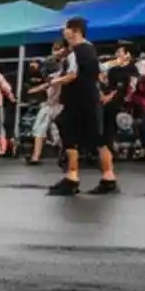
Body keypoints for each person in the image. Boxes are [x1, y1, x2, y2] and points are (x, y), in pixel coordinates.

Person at [47, 17, 118, 196]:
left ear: (75, 30)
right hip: (91, 99)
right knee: (99, 138)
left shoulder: (76, 52)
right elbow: (99, 73)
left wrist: (55, 81)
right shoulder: (91, 49)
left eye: (66, 28)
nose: (64, 32)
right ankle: (109, 177)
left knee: (67, 132)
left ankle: (72, 177)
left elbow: (72, 75)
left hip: (77, 100)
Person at [26, 40, 69, 164]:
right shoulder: (50, 63)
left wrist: (42, 88)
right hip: (50, 101)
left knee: (60, 132)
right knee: (40, 127)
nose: (56, 51)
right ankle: (36, 156)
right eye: (54, 49)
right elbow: (49, 81)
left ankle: (66, 154)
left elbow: (58, 81)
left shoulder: (68, 63)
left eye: (58, 48)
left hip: (61, 102)